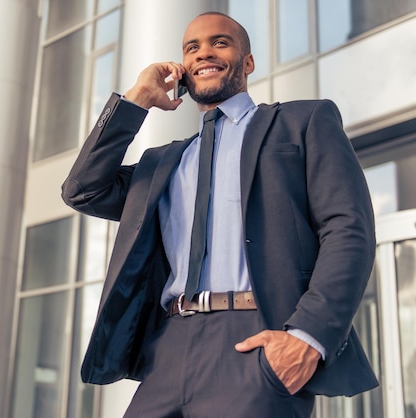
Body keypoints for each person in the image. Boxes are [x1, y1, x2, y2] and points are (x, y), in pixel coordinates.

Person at [61, 11, 378, 418]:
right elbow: (82, 190)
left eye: (220, 42)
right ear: (182, 68)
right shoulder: (164, 163)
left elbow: (348, 229)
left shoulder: (301, 122)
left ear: (247, 62)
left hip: (253, 341)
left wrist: (308, 337)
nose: (204, 52)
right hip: (168, 348)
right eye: (191, 48)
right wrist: (137, 99)